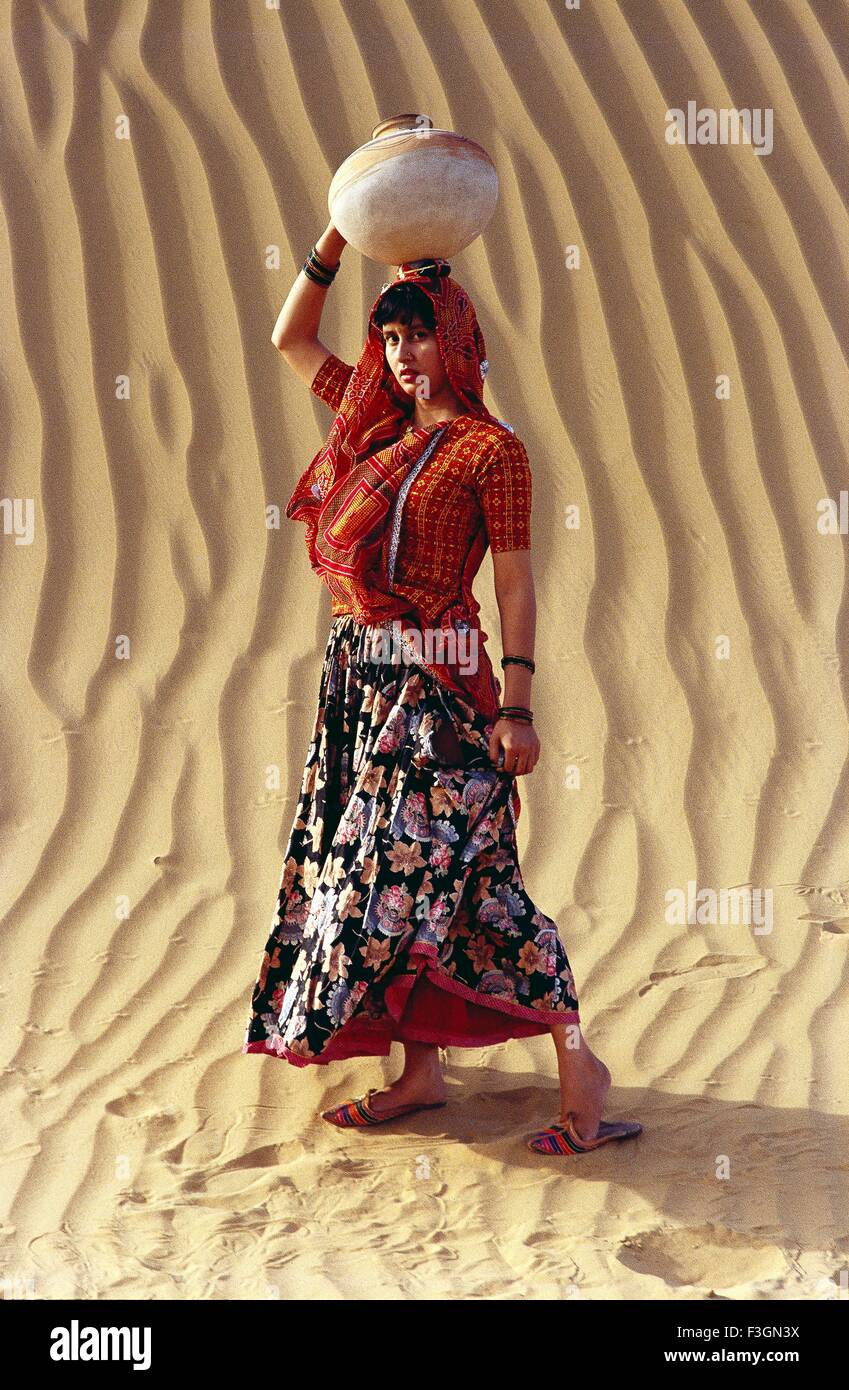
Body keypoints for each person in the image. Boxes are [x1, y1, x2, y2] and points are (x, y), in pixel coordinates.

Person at [241, 220, 642, 1156]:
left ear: (456, 338)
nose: (401, 354)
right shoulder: (371, 420)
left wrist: (516, 705)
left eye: (418, 334)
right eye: (389, 336)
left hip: (442, 695)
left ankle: (578, 1062)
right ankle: (419, 1074)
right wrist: (340, 232)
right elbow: (289, 340)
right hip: (359, 693)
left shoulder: (491, 451)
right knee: (391, 891)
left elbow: (513, 581)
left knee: (473, 887)